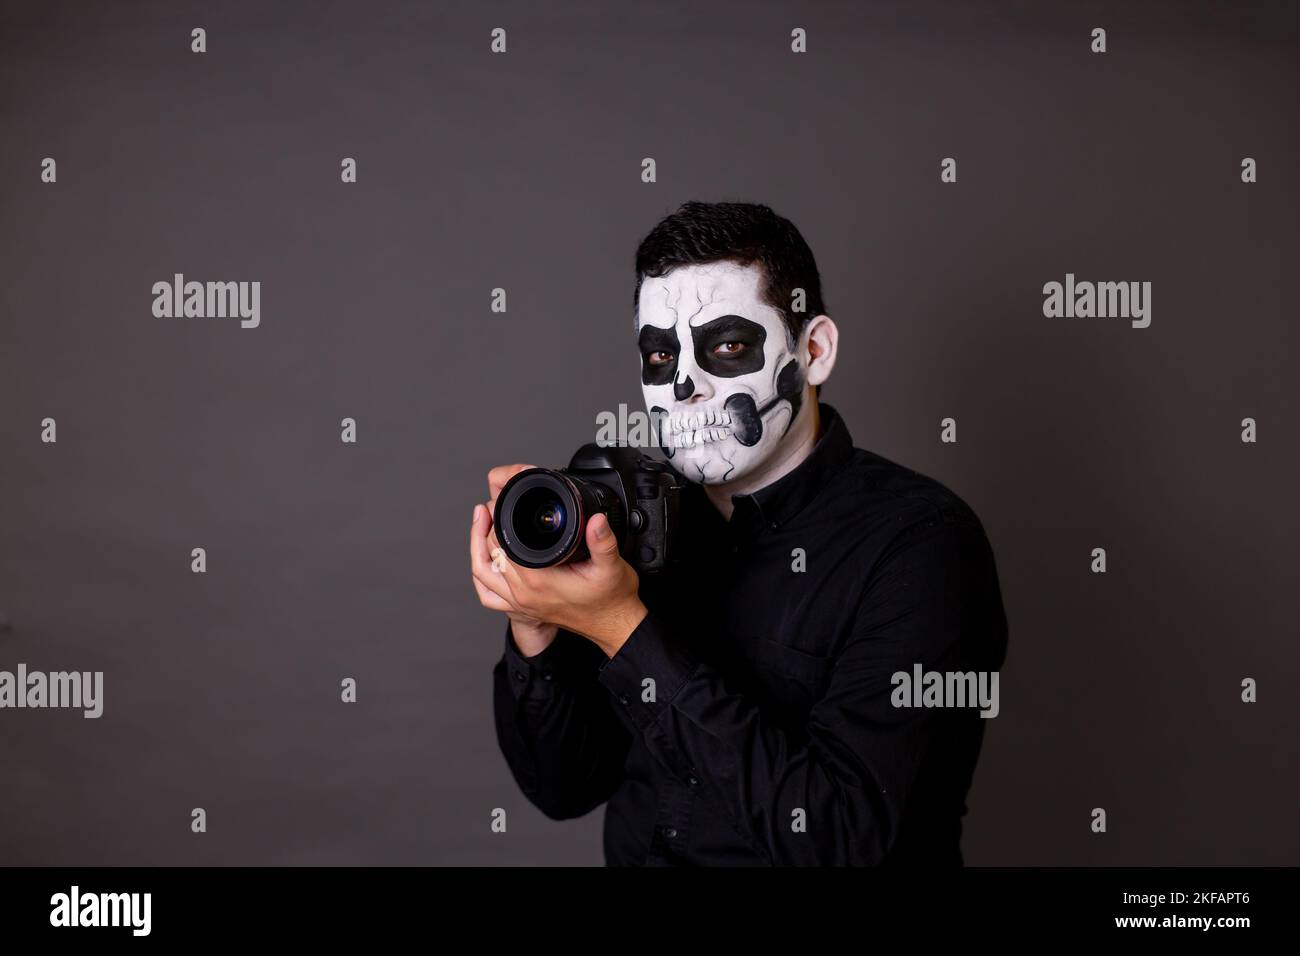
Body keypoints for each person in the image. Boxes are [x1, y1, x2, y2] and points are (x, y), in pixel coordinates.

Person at [469, 201, 1008, 865]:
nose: (684, 385)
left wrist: (622, 630)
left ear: (813, 351)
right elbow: (563, 789)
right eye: (661, 355)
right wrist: (537, 625)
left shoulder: (922, 545)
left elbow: (845, 838)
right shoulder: (637, 525)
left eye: (726, 347)